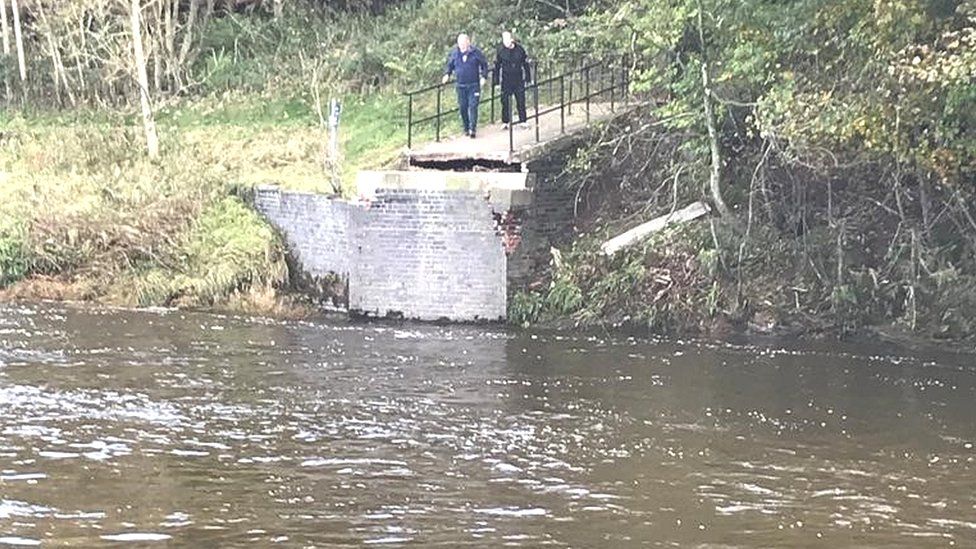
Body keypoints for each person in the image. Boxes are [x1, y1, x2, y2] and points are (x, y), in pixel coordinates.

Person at [442, 33, 488, 138]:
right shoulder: (455, 54)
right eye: (460, 43)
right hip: (461, 85)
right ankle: (466, 128)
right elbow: (449, 65)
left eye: (463, 43)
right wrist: (447, 75)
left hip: (473, 85)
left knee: (473, 106)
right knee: (463, 107)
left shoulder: (475, 53)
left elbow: (484, 64)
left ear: (468, 42)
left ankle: (473, 129)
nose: (462, 45)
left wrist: (483, 77)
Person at [493, 31, 531, 129]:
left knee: (521, 99)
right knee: (505, 101)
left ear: (511, 39)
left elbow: (525, 64)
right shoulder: (501, 50)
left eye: (507, 39)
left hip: (518, 78)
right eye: (504, 39)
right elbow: (497, 66)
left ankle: (523, 120)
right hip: (506, 79)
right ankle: (505, 121)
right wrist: (496, 81)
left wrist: (528, 78)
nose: (505, 42)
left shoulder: (520, 49)